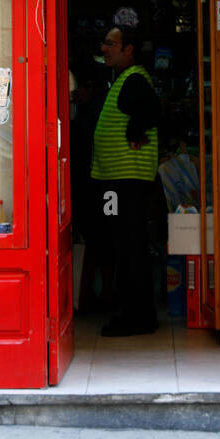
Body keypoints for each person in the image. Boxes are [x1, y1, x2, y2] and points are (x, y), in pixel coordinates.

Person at [90, 24, 160, 336]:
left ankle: (138, 317)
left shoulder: (133, 79)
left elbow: (152, 111)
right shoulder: (122, 80)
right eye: (104, 43)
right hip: (115, 181)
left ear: (128, 49)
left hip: (126, 181)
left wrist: (134, 133)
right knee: (121, 243)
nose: (104, 49)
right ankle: (131, 311)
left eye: (111, 43)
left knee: (129, 246)